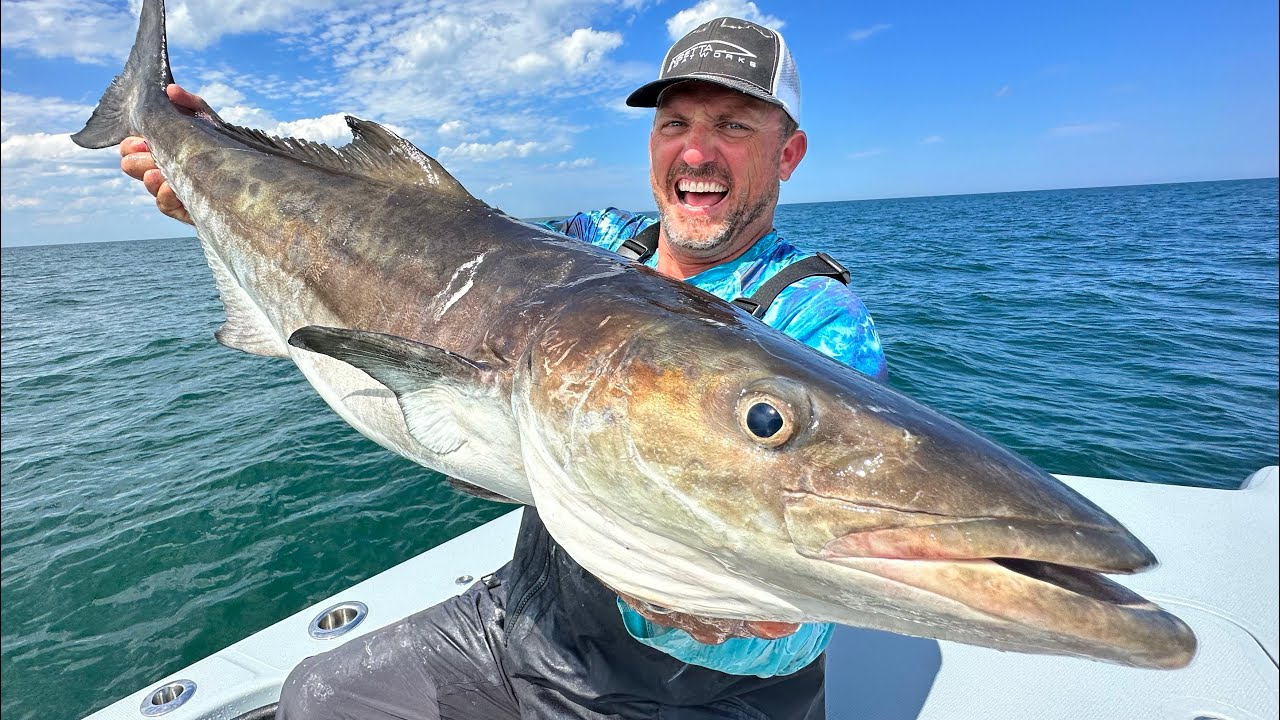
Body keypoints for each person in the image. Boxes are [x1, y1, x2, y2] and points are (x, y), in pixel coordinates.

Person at [121, 17, 886, 719]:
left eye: (732, 126)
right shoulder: (598, 239)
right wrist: (211, 166)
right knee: (317, 697)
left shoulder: (815, 321)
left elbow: (798, 619)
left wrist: (711, 604)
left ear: (787, 153)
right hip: (529, 619)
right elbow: (440, 245)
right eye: (675, 123)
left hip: (696, 698)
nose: (695, 151)